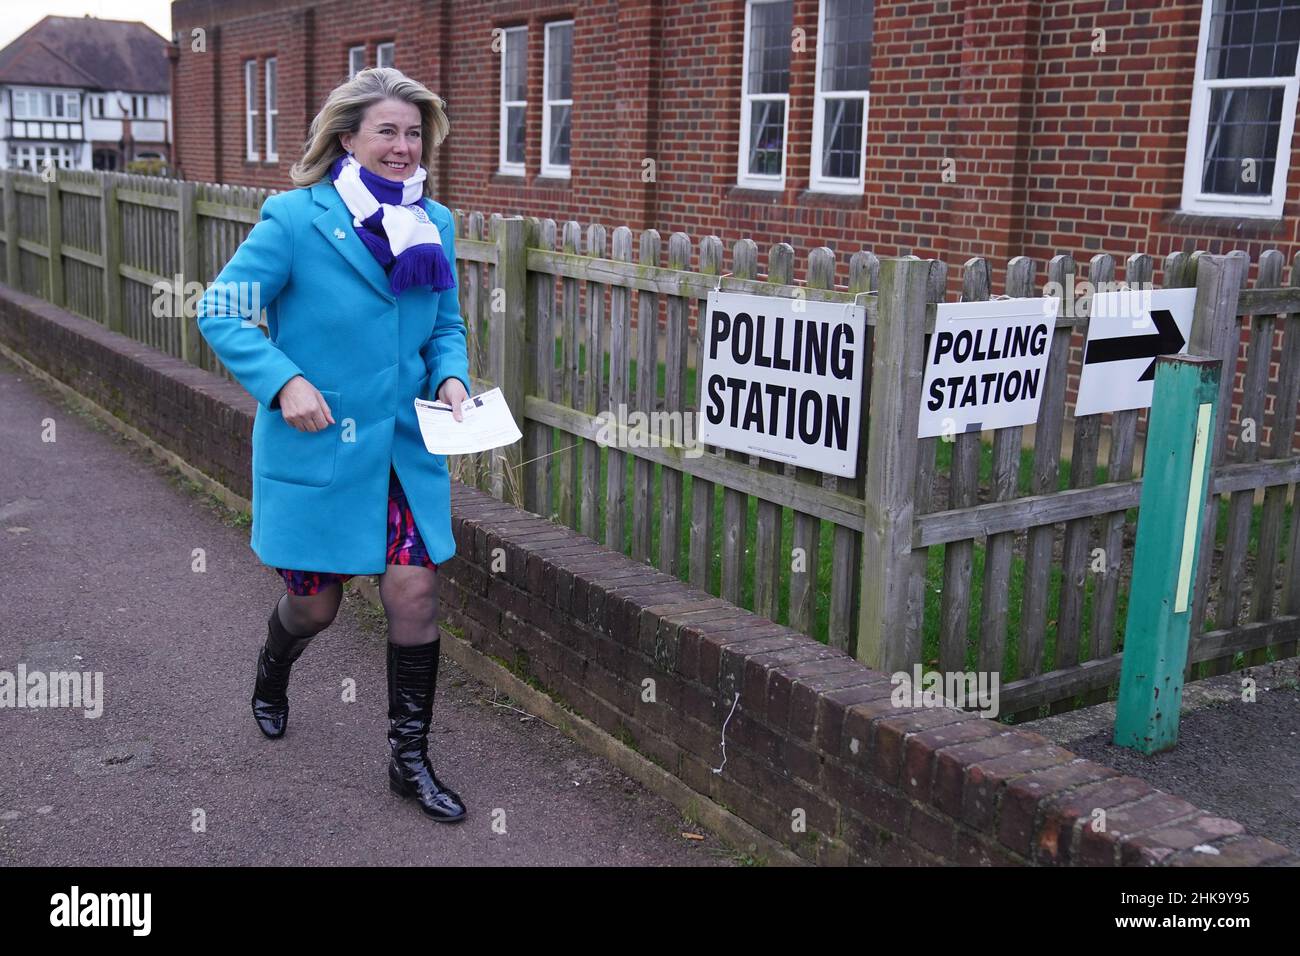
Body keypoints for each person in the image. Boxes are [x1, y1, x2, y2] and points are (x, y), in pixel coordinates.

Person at [196, 67, 471, 824]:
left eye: (414, 132)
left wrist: (451, 380)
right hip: (318, 446)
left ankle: (408, 761)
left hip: (402, 452)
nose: (403, 145)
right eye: (388, 130)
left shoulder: (434, 223)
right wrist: (283, 382)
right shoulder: (293, 219)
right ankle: (273, 667)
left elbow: (444, 327)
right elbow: (220, 311)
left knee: (414, 591)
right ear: (347, 137)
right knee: (314, 608)